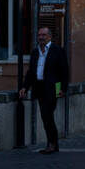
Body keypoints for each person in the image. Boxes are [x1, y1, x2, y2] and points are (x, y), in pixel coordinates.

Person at [20, 26, 69, 154]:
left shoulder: (58, 51)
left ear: (49, 37)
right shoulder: (35, 52)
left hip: (53, 88)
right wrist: (25, 87)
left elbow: (64, 71)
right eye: (39, 35)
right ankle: (52, 144)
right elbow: (31, 72)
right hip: (39, 87)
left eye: (44, 35)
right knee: (45, 116)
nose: (41, 37)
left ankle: (52, 144)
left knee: (47, 115)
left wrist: (63, 89)